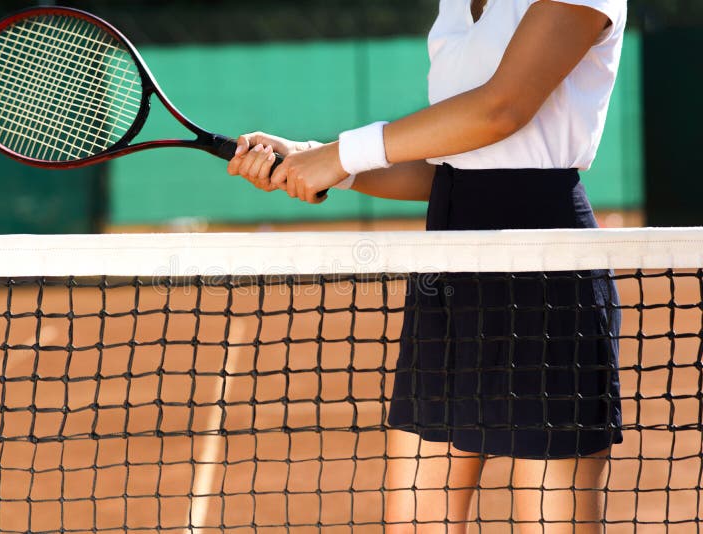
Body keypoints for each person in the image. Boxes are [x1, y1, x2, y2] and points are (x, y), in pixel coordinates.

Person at [227, 1, 626, 532]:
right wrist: (316, 159)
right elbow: (449, 168)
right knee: (418, 520)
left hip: (545, 275)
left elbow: (501, 109)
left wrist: (342, 155)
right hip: (447, 273)